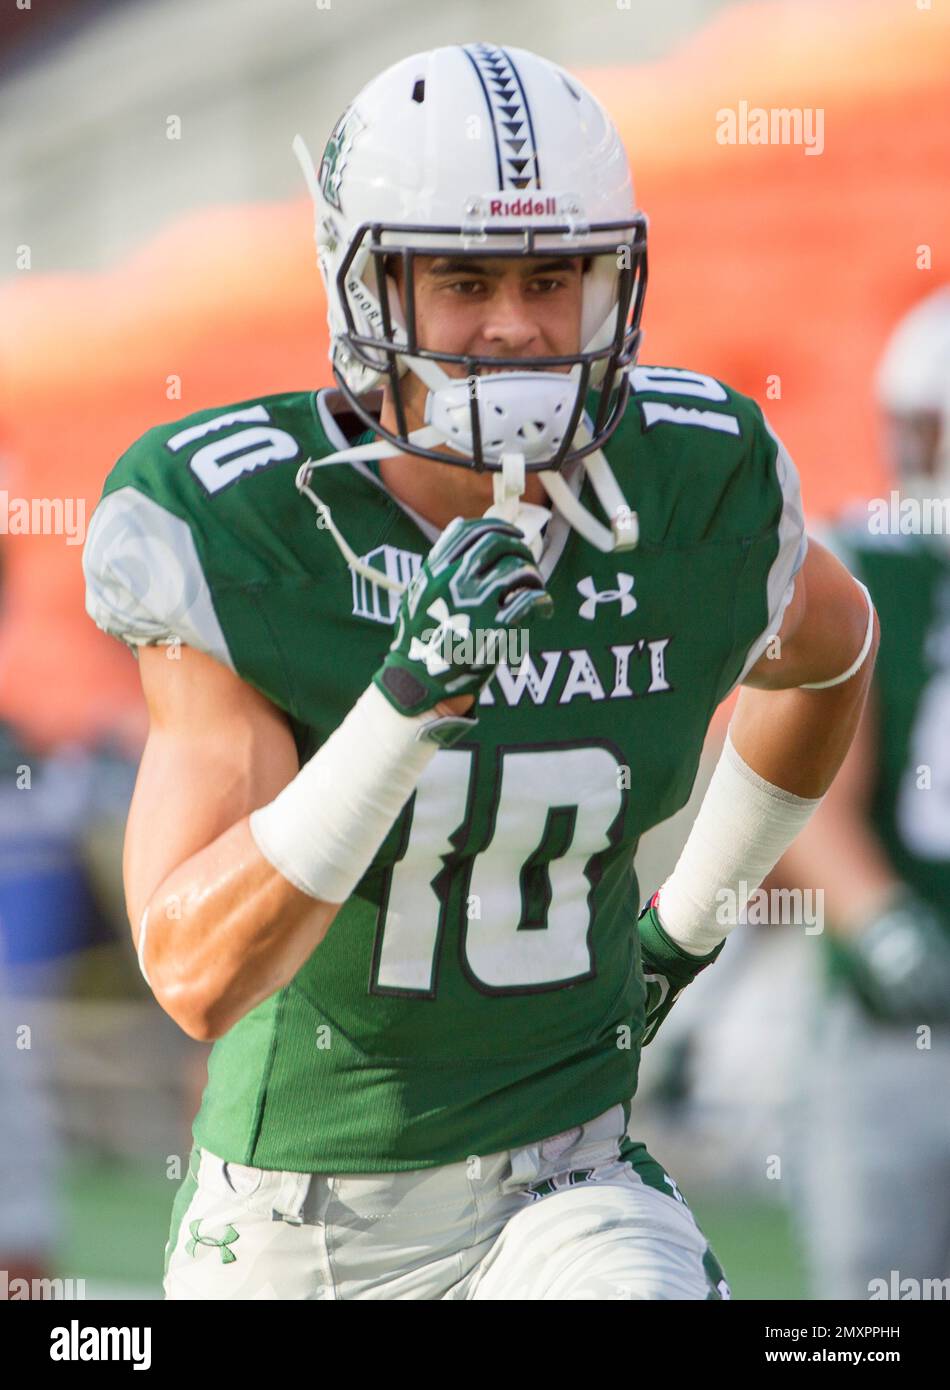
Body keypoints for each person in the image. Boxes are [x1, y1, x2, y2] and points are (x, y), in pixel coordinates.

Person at [83, 43, 877, 1300]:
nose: (514, 321)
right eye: (461, 278)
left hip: (568, 1186)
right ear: (366, 287)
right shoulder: (246, 521)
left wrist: (690, 923)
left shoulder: (692, 482)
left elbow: (833, 654)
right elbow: (193, 973)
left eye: (551, 276)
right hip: (301, 1219)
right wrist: (408, 701)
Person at [779, 286, 950, 1300]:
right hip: (895, 1022)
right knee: (874, 1309)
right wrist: (881, 925)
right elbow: (797, 793)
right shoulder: (862, 565)